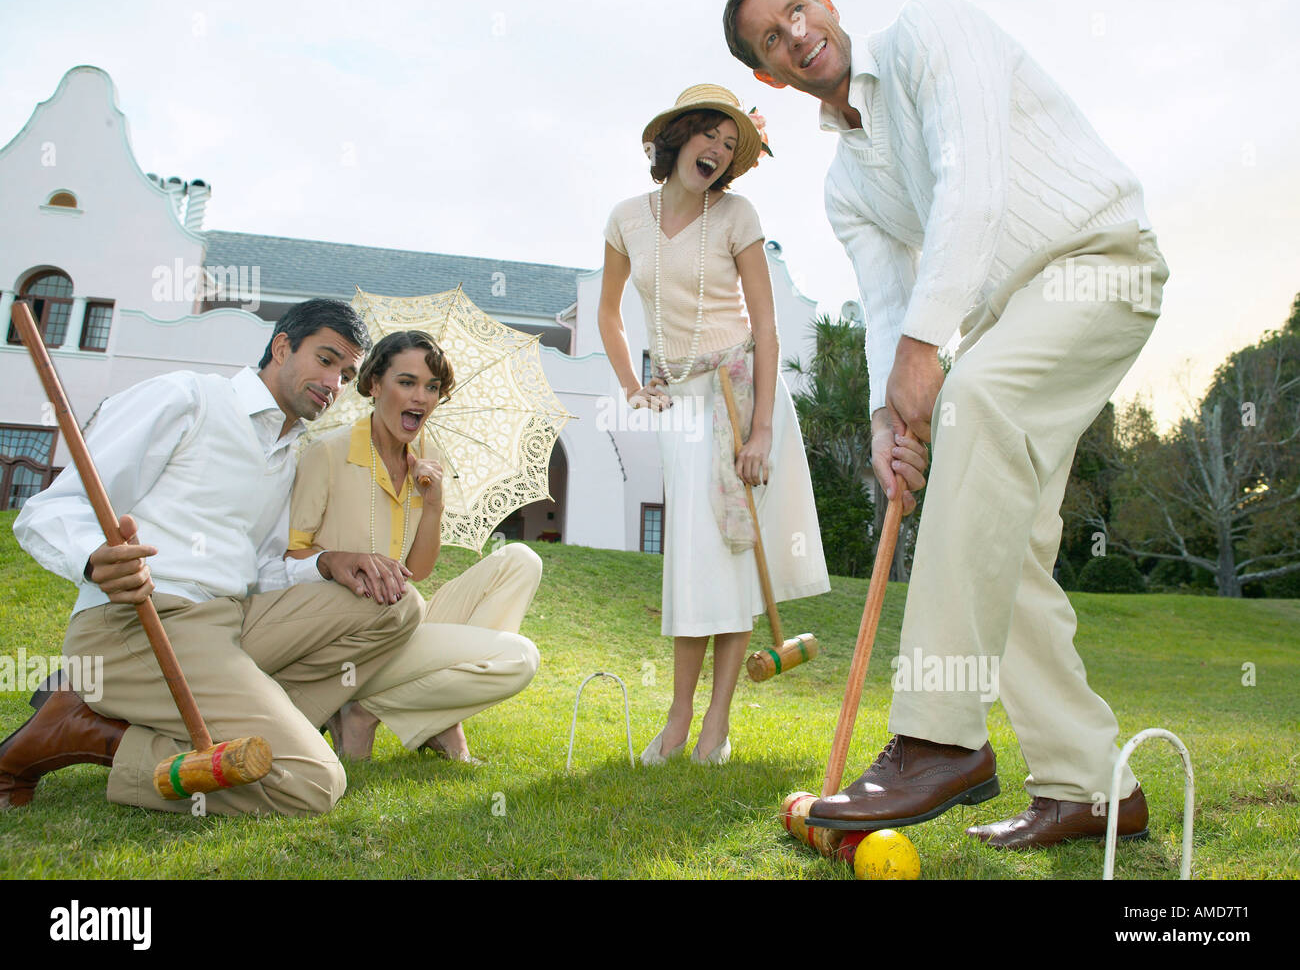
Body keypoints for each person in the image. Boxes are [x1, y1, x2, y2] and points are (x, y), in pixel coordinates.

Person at [724, 0, 1169, 847]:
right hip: (1013, 314)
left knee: (973, 400)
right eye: (771, 40)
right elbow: (889, 309)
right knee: (1006, 548)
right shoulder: (847, 187)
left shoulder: (932, 30)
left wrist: (929, 357)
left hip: (1099, 261)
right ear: (769, 76)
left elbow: (975, 185)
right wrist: (893, 425)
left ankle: (938, 737)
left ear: (830, 7)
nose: (796, 35)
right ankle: (1090, 786)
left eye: (797, 12)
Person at [3, 299, 424, 815]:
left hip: (227, 621)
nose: (335, 383)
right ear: (283, 346)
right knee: (310, 783)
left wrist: (326, 561)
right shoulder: (186, 398)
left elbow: (262, 569)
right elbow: (50, 510)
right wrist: (94, 559)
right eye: (327, 359)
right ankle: (90, 736)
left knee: (398, 605)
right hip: (140, 622)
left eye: (347, 373)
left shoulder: (289, 451)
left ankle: (245, 722)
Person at [599, 84, 830, 766]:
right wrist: (634, 387)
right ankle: (677, 719)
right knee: (692, 562)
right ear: (679, 139)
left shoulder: (736, 215)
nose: (719, 153)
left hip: (741, 394)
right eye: (710, 137)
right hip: (681, 403)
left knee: (730, 562)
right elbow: (610, 314)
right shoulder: (625, 219)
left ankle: (714, 727)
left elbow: (767, 327)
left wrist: (760, 433)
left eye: (731, 147)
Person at [286, 330, 542, 763]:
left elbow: (418, 570)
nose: (421, 397)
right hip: (349, 642)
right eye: (406, 382)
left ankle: (366, 711)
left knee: (521, 560)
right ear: (373, 384)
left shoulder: (427, 456)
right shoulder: (327, 455)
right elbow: (290, 558)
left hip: (402, 619)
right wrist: (345, 564)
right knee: (518, 658)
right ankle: (398, 712)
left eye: (432, 387)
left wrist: (435, 502)